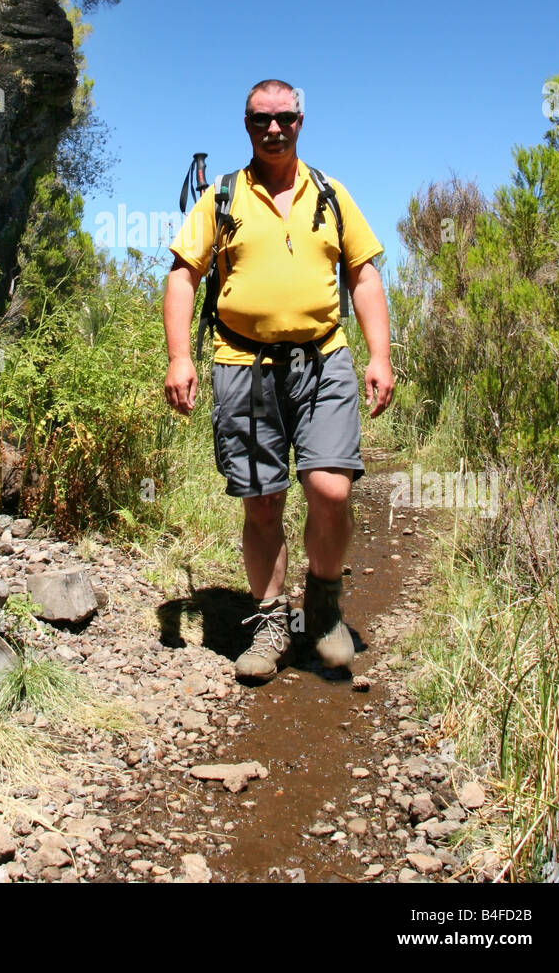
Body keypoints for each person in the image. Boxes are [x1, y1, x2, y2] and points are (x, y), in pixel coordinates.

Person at [163, 79, 394, 682]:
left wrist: (380, 356)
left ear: (300, 122)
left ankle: (321, 609)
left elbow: (364, 276)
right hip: (243, 363)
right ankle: (269, 623)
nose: (274, 128)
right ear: (246, 125)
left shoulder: (331, 194)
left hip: (324, 359)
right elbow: (183, 276)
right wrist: (179, 357)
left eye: (285, 118)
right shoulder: (221, 198)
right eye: (261, 119)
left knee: (331, 488)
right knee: (262, 502)